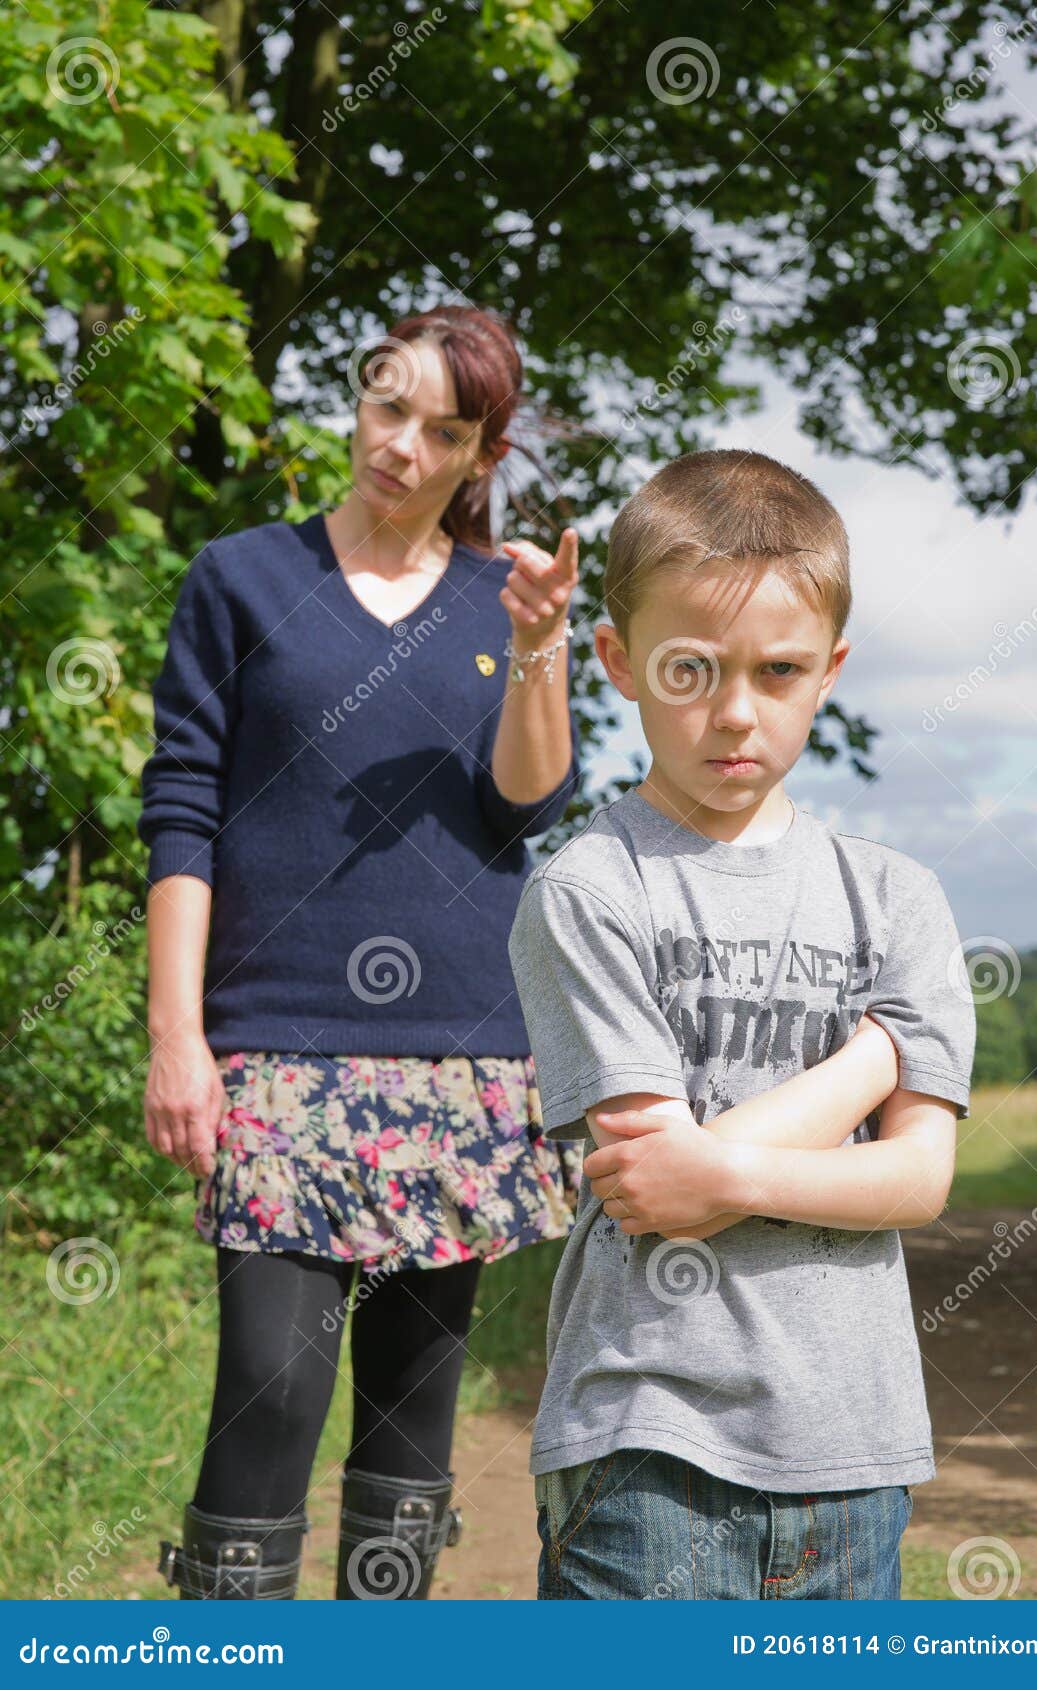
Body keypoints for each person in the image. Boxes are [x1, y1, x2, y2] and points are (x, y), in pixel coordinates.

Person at [138, 305, 583, 1600]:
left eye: (443, 429)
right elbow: (181, 811)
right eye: (389, 406)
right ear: (360, 396)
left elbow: (526, 803)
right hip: (273, 1046)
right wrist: (178, 1035)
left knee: (408, 1430)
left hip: (457, 1055)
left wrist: (542, 643)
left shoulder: (499, 603)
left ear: (478, 453)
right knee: (268, 1392)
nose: (402, 444)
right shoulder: (241, 577)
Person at [507, 447, 976, 1601]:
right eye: (689, 668)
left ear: (829, 671)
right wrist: (872, 1058)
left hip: (854, 1455)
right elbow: (662, 1189)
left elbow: (917, 1180)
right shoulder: (588, 888)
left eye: (777, 671)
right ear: (614, 658)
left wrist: (725, 1163)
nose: (733, 712)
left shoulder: (895, 895)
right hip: (646, 1450)